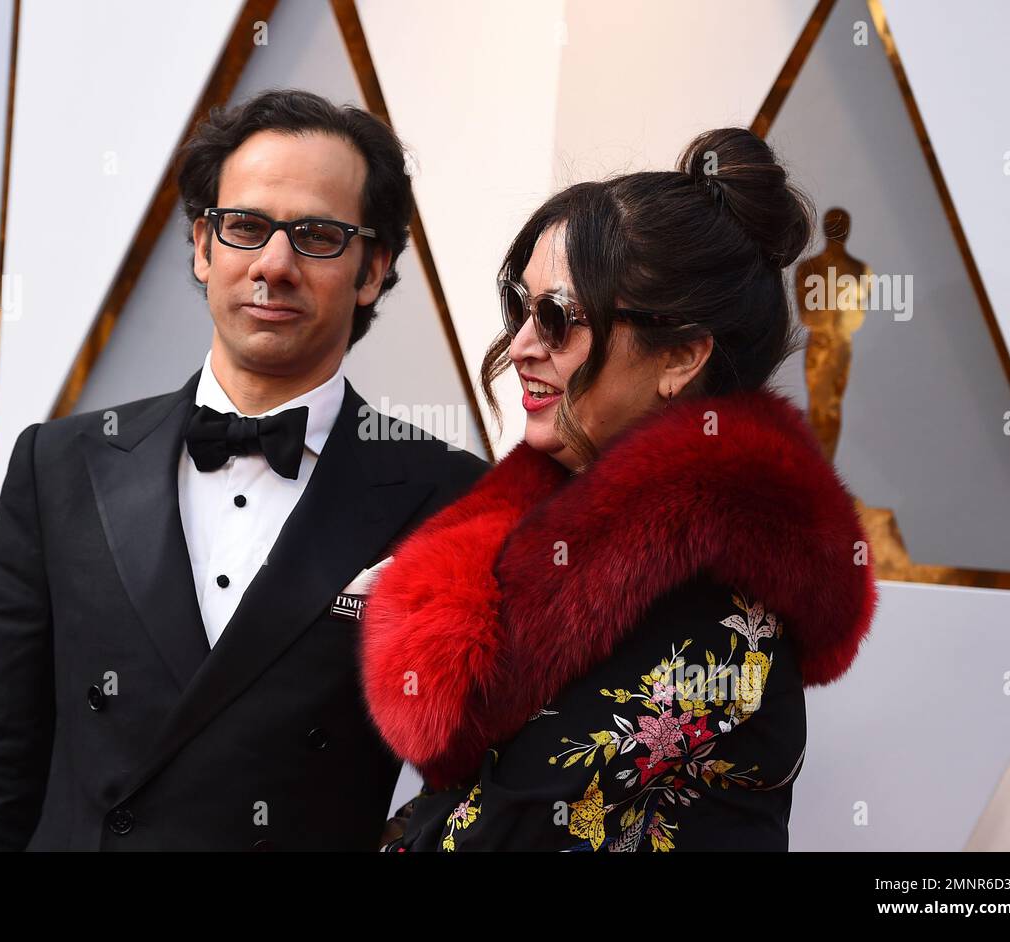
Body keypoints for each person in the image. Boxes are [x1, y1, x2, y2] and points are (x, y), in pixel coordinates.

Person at [0, 89, 486, 851]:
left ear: (371, 269)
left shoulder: (448, 493)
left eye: (317, 236)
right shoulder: (59, 466)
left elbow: (469, 785)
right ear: (202, 246)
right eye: (246, 227)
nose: (275, 265)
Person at [362, 128, 878, 852]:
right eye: (522, 305)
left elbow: (499, 833)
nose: (519, 346)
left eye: (558, 318)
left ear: (680, 356)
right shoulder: (553, 536)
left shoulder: (712, 607)